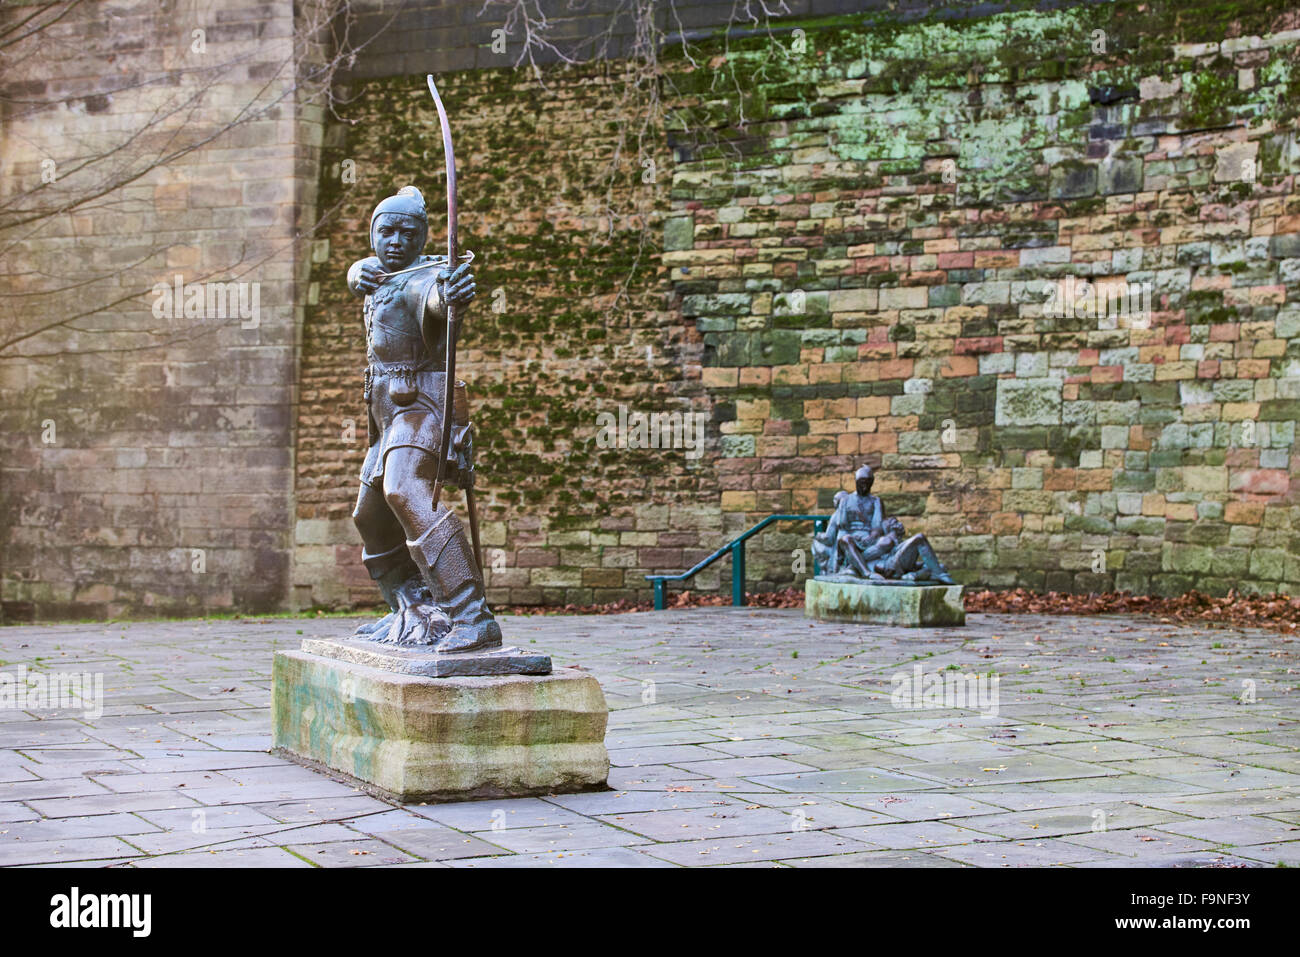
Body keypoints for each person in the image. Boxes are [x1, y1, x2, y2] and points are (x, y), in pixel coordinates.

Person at [345, 185, 499, 652]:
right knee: (370, 515)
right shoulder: (377, 275)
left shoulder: (424, 277)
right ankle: (409, 608)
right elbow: (360, 273)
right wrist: (355, 270)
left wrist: (452, 296)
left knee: (406, 489)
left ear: (422, 238)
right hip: (386, 414)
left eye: (407, 234)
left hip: (421, 405)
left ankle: (472, 616)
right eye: (386, 231)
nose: (395, 242)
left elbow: (434, 297)